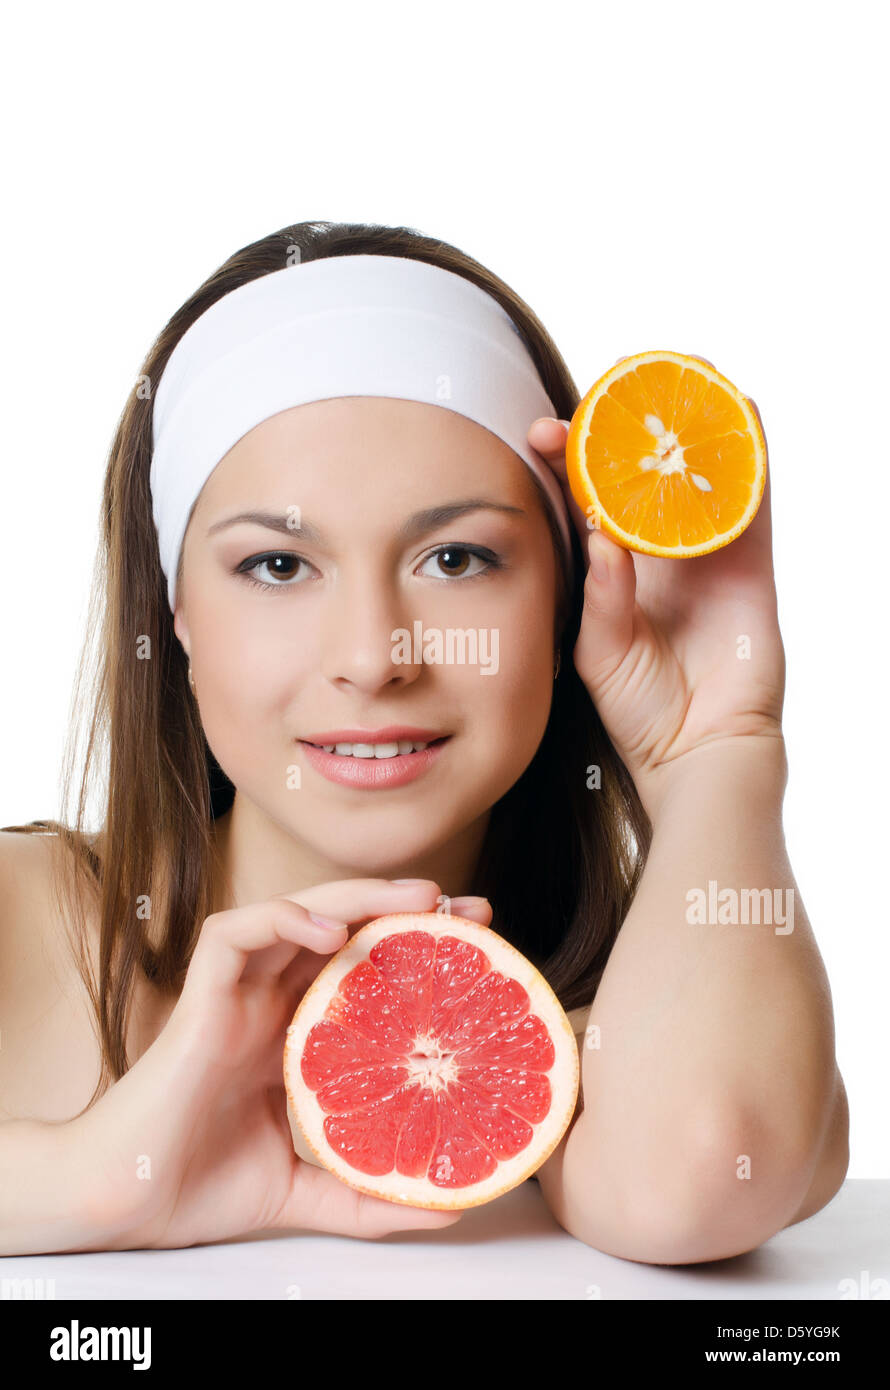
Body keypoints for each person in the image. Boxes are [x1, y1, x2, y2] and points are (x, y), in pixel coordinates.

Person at [0, 220, 847, 1263]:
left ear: (566, 593)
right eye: (276, 566)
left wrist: (714, 746)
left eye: (455, 557)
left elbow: (710, 1170)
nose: (373, 655)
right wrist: (103, 1183)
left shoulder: (635, 1014)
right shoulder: (24, 921)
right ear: (176, 611)